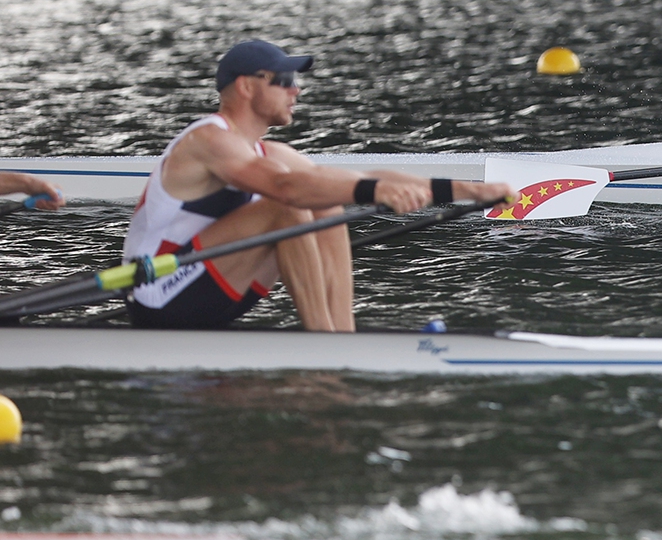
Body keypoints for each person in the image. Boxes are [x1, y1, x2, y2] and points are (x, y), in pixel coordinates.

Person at [123, 40, 514, 332]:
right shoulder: (210, 140)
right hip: (157, 293)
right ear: (245, 87)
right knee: (288, 205)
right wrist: (373, 195)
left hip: (205, 287)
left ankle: (341, 334)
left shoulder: (268, 149)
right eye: (285, 80)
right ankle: (322, 340)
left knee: (327, 198)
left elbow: (357, 181)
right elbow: (285, 188)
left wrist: (470, 192)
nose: (296, 90)